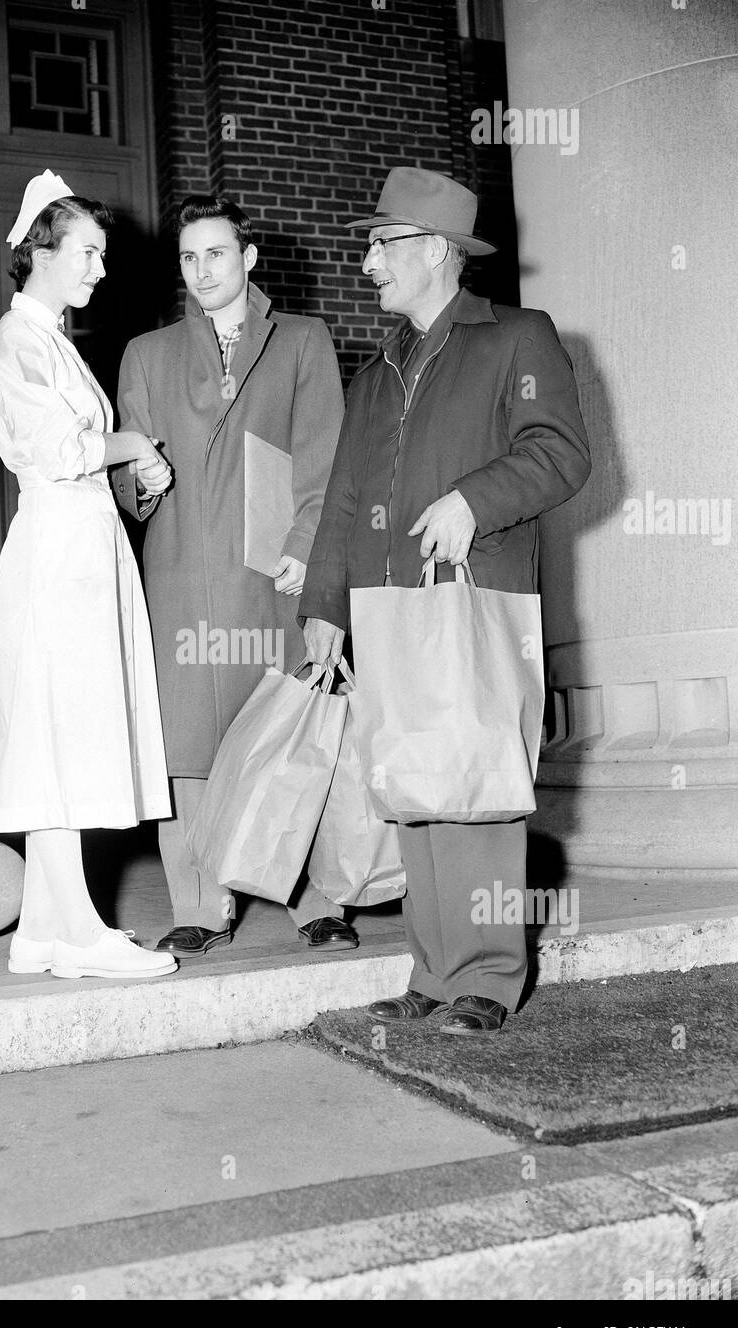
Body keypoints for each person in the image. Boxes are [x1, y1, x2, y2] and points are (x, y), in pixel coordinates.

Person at [300, 166, 591, 1033]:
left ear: (434, 251)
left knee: (476, 786)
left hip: (475, 598)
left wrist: (473, 498)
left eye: (379, 245)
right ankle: (430, 970)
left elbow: (560, 452)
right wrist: (323, 607)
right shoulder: (375, 371)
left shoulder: (517, 337)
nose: (366, 264)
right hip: (388, 603)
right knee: (414, 788)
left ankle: (489, 979)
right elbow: (345, 498)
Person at [112, 195, 355, 956]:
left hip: (272, 574)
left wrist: (309, 541)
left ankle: (317, 901)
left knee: (293, 731)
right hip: (183, 573)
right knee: (189, 746)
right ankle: (200, 903)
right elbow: (127, 486)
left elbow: (327, 455)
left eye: (215, 253)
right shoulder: (146, 354)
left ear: (248, 258)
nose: (201, 270)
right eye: (188, 257)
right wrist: (142, 480)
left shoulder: (303, 340)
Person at [0, 170, 178, 981]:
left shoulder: (50, 342)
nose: (100, 269)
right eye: (88, 252)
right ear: (40, 250)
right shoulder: (12, 345)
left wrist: (132, 459)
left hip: (85, 546)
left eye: (102, 254)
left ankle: (45, 931)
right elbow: (59, 452)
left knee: (70, 730)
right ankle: (79, 930)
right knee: (59, 731)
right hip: (56, 553)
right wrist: (137, 443)